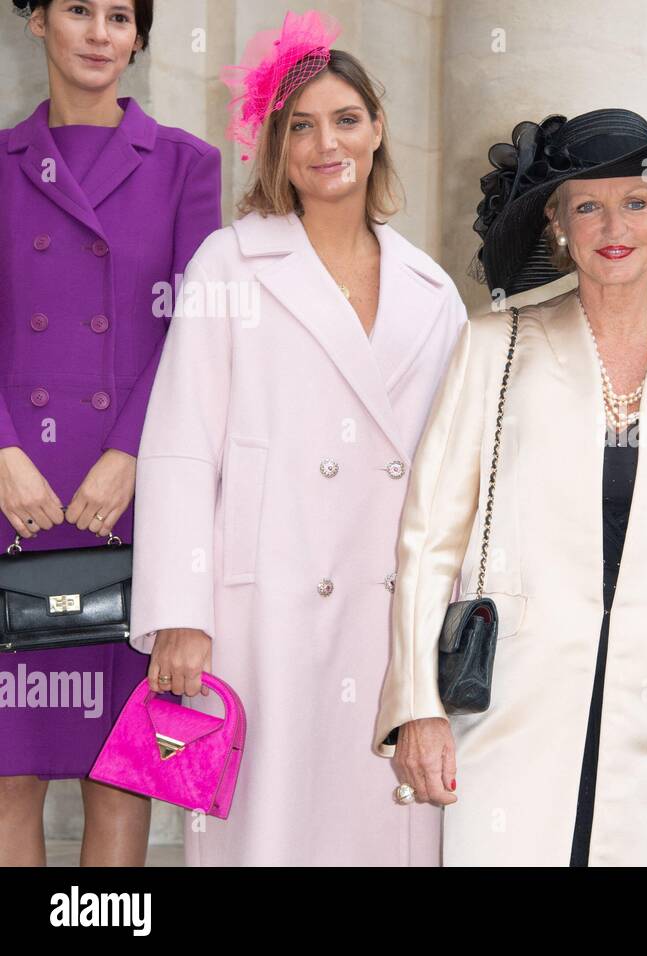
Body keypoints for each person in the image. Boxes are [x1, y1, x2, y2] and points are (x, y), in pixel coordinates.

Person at [375, 100, 647, 866]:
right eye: (587, 207)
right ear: (558, 226)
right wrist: (417, 707)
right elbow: (428, 540)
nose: (613, 226)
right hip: (512, 713)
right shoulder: (494, 347)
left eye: (635, 201)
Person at [128, 10, 463, 865]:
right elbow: (178, 447)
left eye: (346, 119)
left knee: (383, 835)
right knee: (267, 834)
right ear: (274, 144)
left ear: (378, 130)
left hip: (390, 622)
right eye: (301, 125)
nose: (327, 142)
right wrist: (178, 613)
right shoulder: (228, 264)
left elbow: (456, 474)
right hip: (261, 612)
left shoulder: (433, 291)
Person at [0, 0, 220, 867]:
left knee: (120, 773)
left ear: (138, 37)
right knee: (9, 774)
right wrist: (2, 451)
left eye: (120, 15)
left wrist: (132, 453)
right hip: (12, 497)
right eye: (79, 10)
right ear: (36, 23)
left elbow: (195, 333)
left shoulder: (185, 167)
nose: (99, 32)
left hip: (133, 501)